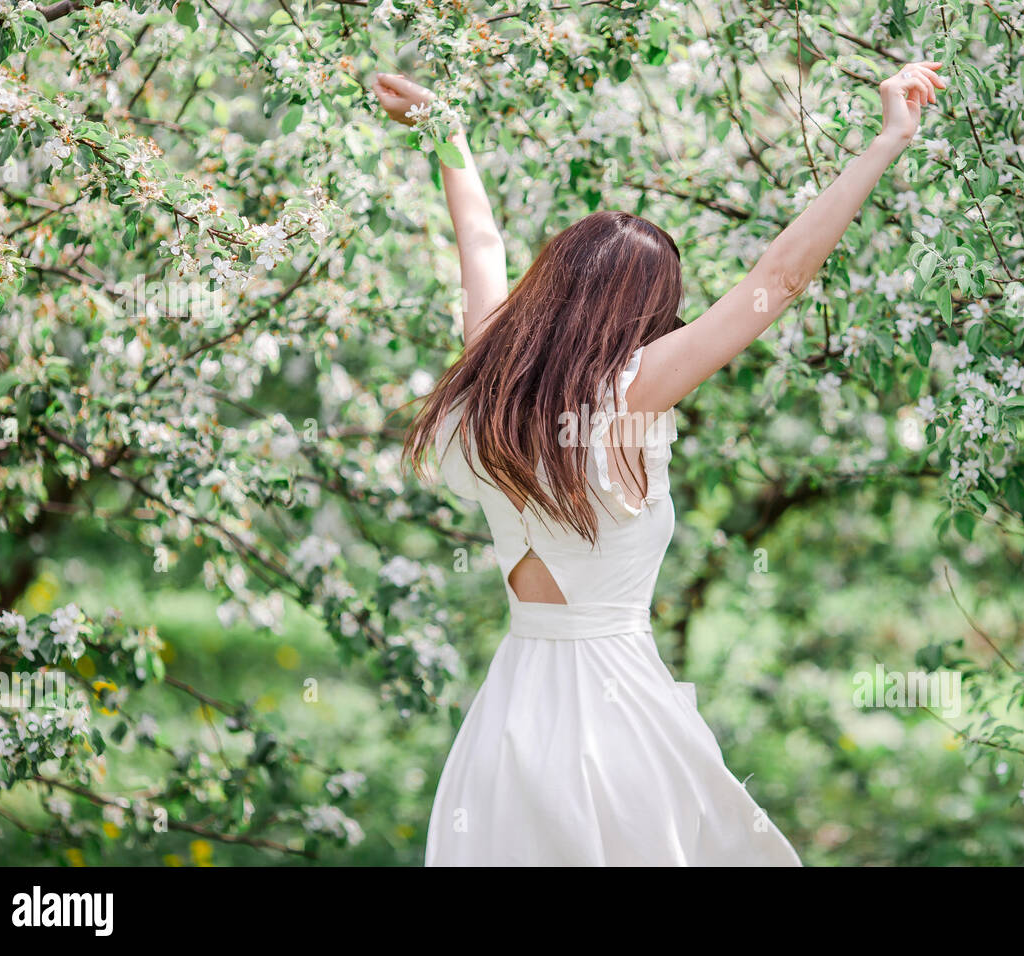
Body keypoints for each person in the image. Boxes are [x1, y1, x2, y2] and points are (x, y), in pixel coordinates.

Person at [376, 60, 945, 866]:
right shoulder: (629, 394)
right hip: (616, 716)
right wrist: (887, 140)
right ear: (642, 311)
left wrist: (447, 128)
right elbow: (776, 279)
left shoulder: (488, 380)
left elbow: (481, 240)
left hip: (510, 721)